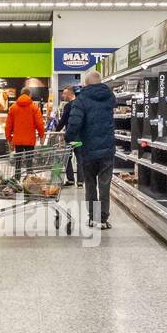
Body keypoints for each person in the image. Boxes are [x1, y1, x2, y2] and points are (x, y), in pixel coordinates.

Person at [65, 70, 117, 230]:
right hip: (107, 149)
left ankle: (92, 218)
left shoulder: (81, 101)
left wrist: (69, 138)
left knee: (90, 183)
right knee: (105, 184)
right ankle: (103, 219)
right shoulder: (110, 97)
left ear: (86, 84)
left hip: (87, 149)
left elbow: (74, 123)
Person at [5, 87, 44, 177]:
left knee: (18, 163)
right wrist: (42, 136)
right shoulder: (34, 108)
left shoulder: (13, 108)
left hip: (17, 140)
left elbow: (8, 126)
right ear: (29, 95)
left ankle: (17, 180)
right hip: (30, 140)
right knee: (29, 162)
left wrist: (9, 139)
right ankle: (29, 181)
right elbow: (40, 123)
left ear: (21, 94)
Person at [56, 86, 79, 186]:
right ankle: (81, 181)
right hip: (80, 137)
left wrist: (56, 130)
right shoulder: (81, 104)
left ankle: (70, 179)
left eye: (64, 93)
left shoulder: (68, 106)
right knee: (80, 158)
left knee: (67, 158)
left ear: (70, 94)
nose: (63, 95)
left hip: (70, 136)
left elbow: (63, 120)